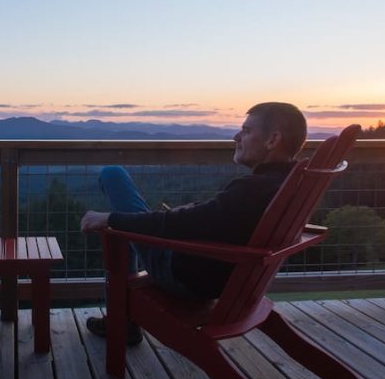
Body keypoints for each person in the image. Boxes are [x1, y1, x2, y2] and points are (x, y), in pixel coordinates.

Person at [80, 102, 308, 345]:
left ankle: (121, 322)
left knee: (113, 175)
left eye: (246, 131)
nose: (236, 137)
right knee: (138, 216)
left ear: (273, 140)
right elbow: (218, 218)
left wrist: (109, 219)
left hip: (185, 275)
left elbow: (179, 224)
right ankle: (124, 320)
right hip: (227, 278)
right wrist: (196, 211)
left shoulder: (253, 188)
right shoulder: (289, 184)